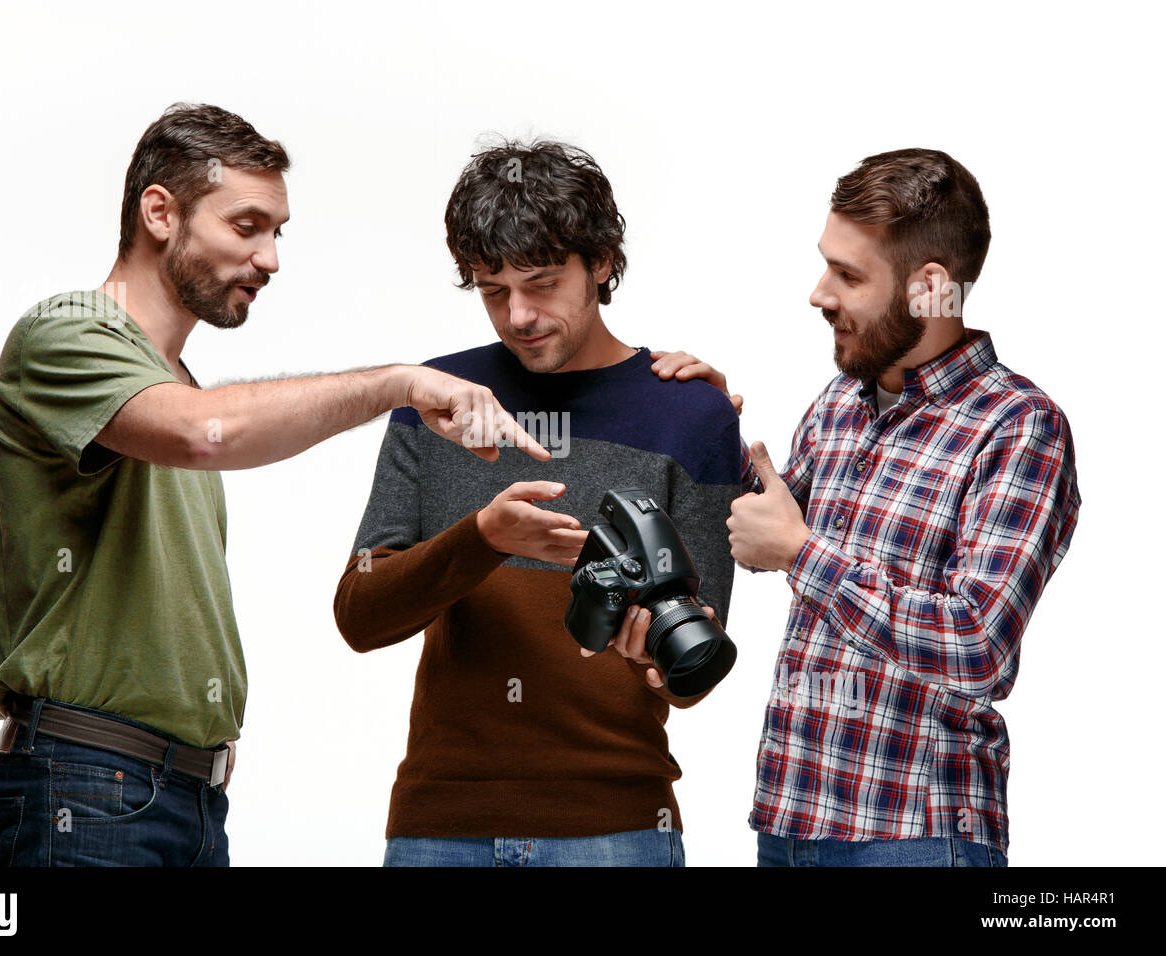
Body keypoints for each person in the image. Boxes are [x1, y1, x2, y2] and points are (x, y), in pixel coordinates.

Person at [0, 103, 546, 867]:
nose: (271, 258)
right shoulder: (69, 332)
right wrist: (399, 384)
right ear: (160, 213)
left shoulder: (171, 383)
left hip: (179, 797)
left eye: (278, 233)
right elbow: (206, 431)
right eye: (247, 226)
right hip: (86, 789)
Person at [333, 140, 741, 867]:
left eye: (542, 283)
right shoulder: (435, 402)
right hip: (440, 827)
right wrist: (482, 538)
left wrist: (642, 648)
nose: (518, 315)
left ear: (603, 262)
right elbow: (360, 617)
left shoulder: (691, 414)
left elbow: (691, 672)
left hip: (617, 829)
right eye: (493, 290)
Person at [725, 147, 1081, 866]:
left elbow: (977, 645)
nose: (819, 294)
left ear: (929, 288)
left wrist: (802, 555)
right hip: (790, 820)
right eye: (826, 265)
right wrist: (701, 422)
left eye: (849, 275)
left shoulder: (1018, 426)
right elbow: (763, 528)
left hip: (915, 834)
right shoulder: (840, 402)